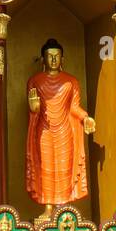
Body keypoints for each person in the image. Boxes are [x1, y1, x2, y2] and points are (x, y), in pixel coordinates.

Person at [26, 39, 94, 213]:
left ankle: (63, 206)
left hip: (65, 130)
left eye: (57, 56)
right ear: (43, 60)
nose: (54, 60)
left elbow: (74, 107)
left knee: (64, 166)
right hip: (44, 130)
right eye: (49, 56)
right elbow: (34, 109)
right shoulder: (35, 81)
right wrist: (34, 109)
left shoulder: (71, 81)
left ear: (63, 59)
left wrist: (85, 117)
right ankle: (48, 207)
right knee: (46, 167)